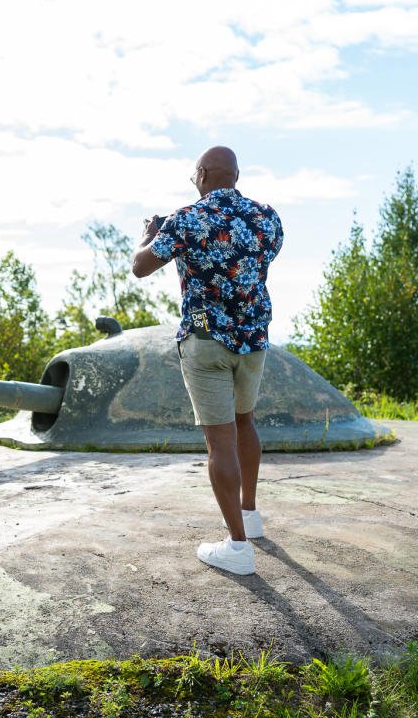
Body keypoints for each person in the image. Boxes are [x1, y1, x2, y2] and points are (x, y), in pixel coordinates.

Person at [130, 146, 283, 576]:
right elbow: (259, 261)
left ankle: (237, 548)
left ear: (202, 174)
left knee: (220, 441)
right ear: (235, 175)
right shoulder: (267, 217)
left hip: (207, 339)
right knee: (245, 422)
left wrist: (149, 233)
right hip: (253, 339)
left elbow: (141, 267)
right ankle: (249, 518)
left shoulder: (186, 219)